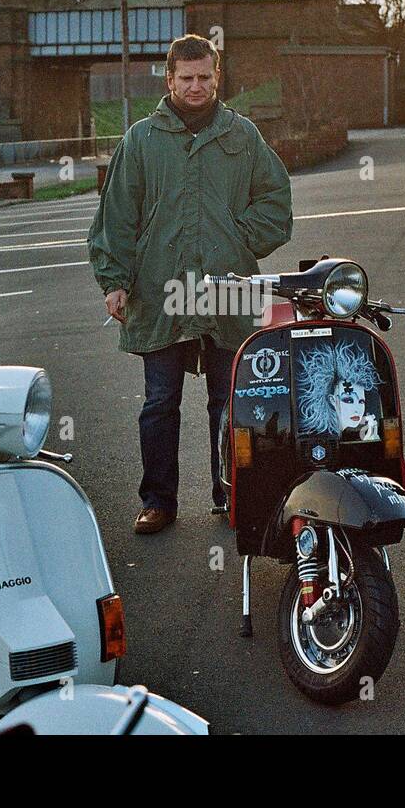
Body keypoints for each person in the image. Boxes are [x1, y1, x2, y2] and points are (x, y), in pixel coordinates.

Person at [88, 34, 293, 534]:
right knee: (161, 401)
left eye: (205, 77)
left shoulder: (242, 136)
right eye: (186, 78)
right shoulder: (141, 139)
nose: (196, 87)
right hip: (160, 292)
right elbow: (116, 216)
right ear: (169, 79)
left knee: (230, 401)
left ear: (217, 76)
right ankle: (158, 500)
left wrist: (236, 238)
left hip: (227, 290)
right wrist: (114, 281)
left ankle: (230, 495)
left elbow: (276, 202)